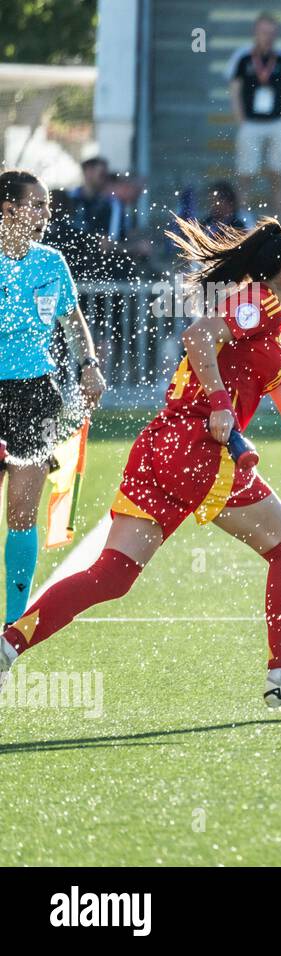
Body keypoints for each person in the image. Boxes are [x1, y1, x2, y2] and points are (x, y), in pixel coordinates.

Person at [0, 217, 281, 706]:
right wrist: (217, 400)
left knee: (112, 575)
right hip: (199, 453)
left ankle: (7, 644)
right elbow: (197, 337)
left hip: (159, 446)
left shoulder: (272, 334)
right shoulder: (259, 302)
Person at [0, 170, 106, 630]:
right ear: (7, 210)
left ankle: (11, 628)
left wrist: (89, 365)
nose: (46, 214)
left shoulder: (51, 263)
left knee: (21, 514)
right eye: (37, 205)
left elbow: (73, 322)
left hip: (35, 393)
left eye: (47, 205)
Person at [226, 12, 281, 215]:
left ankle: (277, 222)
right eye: (263, 31)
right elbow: (235, 90)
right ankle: (243, 224)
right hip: (251, 122)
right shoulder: (244, 58)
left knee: (278, 175)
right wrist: (241, 120)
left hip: (277, 122)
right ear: (255, 32)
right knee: (246, 175)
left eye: (271, 32)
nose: (267, 36)